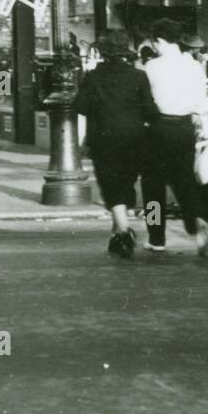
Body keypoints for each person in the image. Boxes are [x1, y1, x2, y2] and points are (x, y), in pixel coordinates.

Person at [75, 30, 159, 259]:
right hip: (134, 138)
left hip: (103, 138)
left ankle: (123, 229)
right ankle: (122, 233)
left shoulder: (93, 77)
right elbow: (150, 111)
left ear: (103, 53)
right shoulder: (139, 76)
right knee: (126, 182)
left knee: (110, 184)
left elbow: (80, 107)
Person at [141, 18, 208, 255]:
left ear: (160, 41)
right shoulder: (194, 66)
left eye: (155, 42)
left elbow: (144, 101)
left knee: (153, 186)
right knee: (184, 181)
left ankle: (156, 237)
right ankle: (197, 223)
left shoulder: (151, 67)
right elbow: (200, 102)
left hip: (158, 128)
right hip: (184, 128)